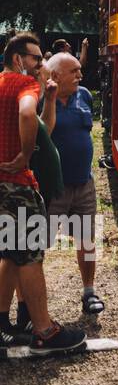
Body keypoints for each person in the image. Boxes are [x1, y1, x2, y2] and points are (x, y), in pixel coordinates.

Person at [0, 33, 86, 353]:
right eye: (36, 58)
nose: (41, 63)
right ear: (19, 60)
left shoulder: (3, 84)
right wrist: (24, 155)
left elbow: (43, 130)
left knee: (9, 253)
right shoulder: (23, 86)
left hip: (3, 187)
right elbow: (26, 115)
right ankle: (44, 333)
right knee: (30, 258)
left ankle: (2, 325)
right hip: (17, 186)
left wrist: (48, 99)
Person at [44, 52, 104, 313]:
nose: (80, 75)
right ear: (55, 76)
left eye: (80, 70)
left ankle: (89, 292)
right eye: (75, 71)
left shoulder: (85, 96)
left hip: (83, 184)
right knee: (37, 244)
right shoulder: (40, 100)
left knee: (87, 239)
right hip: (52, 187)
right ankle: (30, 305)